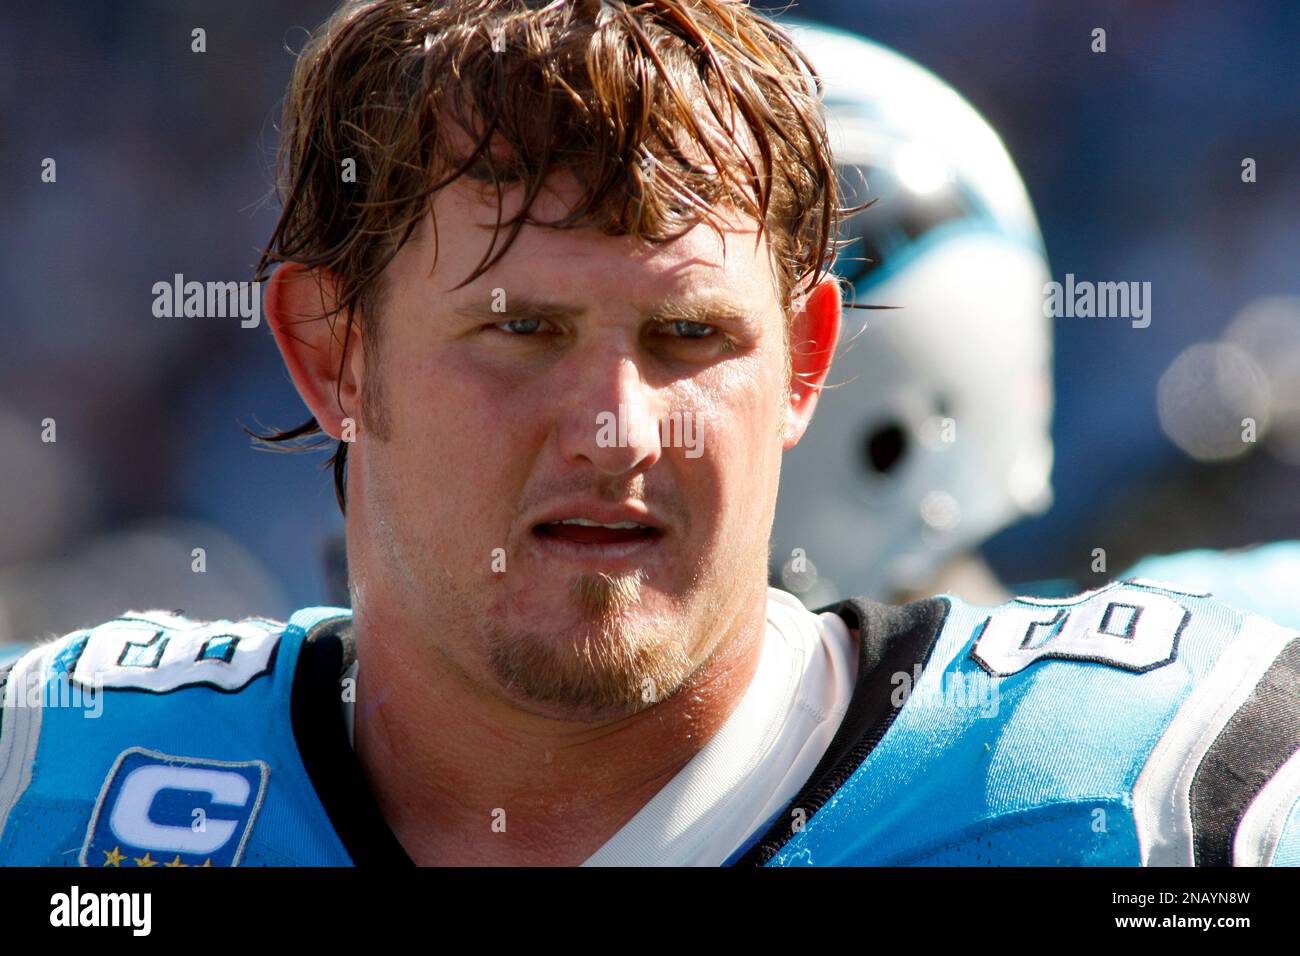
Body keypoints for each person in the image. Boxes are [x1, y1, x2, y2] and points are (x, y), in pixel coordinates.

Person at [1, 0, 1297, 868]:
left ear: (805, 362)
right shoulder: (52, 778)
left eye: (688, 339)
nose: (617, 430)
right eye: (522, 331)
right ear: (332, 355)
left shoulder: (1160, 797)